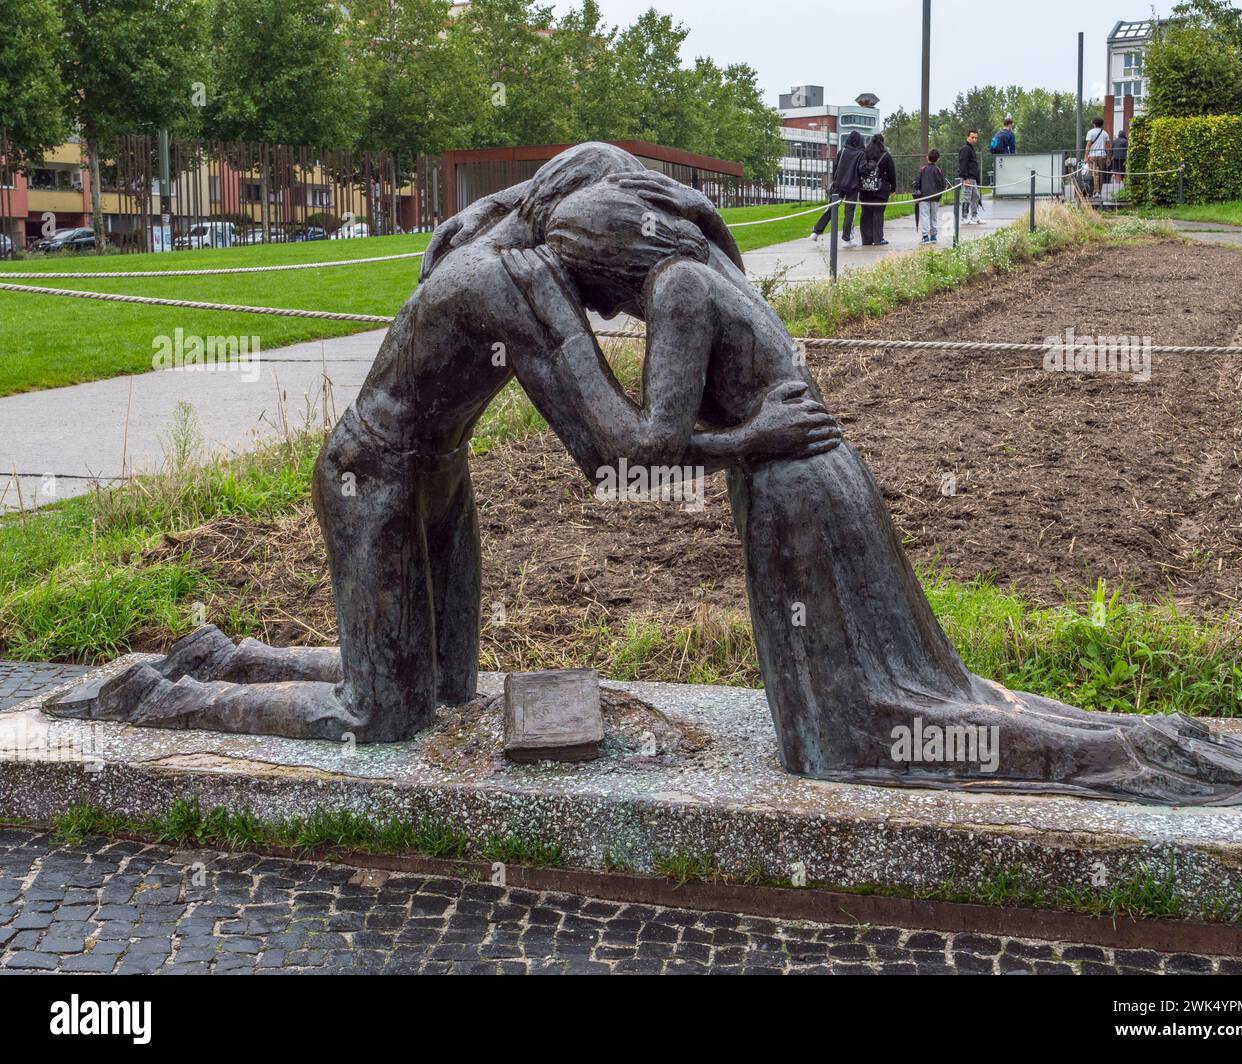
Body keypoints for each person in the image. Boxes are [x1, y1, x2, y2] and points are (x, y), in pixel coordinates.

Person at [494, 176, 1242, 806]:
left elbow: (652, 446)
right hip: (812, 480)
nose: (596, 309)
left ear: (606, 265)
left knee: (853, 730)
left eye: (586, 289)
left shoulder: (675, 291)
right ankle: (1127, 742)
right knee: (885, 694)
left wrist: (569, 343)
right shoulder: (706, 269)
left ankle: (1125, 751)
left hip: (793, 486)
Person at [61, 145, 838, 742]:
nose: (610, 308)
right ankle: (164, 699)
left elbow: (594, 165)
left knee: (444, 689)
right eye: (608, 286)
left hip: (439, 475)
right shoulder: (509, 286)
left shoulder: (526, 228)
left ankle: (224, 656)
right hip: (373, 478)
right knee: (379, 716)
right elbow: (617, 464)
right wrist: (753, 438)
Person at [810, 130, 869, 245]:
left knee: (831, 208)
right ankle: (846, 239)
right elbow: (862, 170)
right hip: (853, 186)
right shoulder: (861, 154)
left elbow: (835, 167)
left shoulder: (842, 152)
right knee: (849, 213)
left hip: (838, 184)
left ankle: (816, 232)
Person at [858, 134, 896, 246]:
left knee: (865, 214)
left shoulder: (864, 155)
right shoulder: (886, 156)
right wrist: (893, 188)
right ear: (882, 142)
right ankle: (878, 239)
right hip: (881, 189)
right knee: (878, 213)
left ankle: (866, 239)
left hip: (865, 189)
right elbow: (892, 173)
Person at [914, 149, 946, 245]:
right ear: (938, 159)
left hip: (924, 197)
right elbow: (943, 185)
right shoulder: (938, 170)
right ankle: (933, 236)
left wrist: (917, 195)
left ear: (927, 157)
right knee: (934, 217)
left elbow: (917, 183)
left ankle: (925, 237)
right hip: (935, 197)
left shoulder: (922, 169)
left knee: (925, 216)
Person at [958, 129, 981, 224]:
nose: (974, 139)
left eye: (976, 138)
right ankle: (964, 217)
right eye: (972, 137)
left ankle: (974, 216)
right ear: (967, 137)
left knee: (975, 196)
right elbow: (963, 164)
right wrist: (965, 178)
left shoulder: (971, 148)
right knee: (966, 197)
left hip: (973, 178)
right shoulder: (965, 149)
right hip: (967, 178)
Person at [1085, 117, 1110, 200]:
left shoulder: (1090, 132)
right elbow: (1108, 147)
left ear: (1094, 124)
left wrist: (1085, 156)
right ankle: (1098, 192)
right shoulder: (1105, 133)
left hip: (1092, 155)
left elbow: (1088, 145)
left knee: (1094, 173)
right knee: (1101, 174)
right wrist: (1108, 158)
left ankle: (1096, 192)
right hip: (1102, 155)